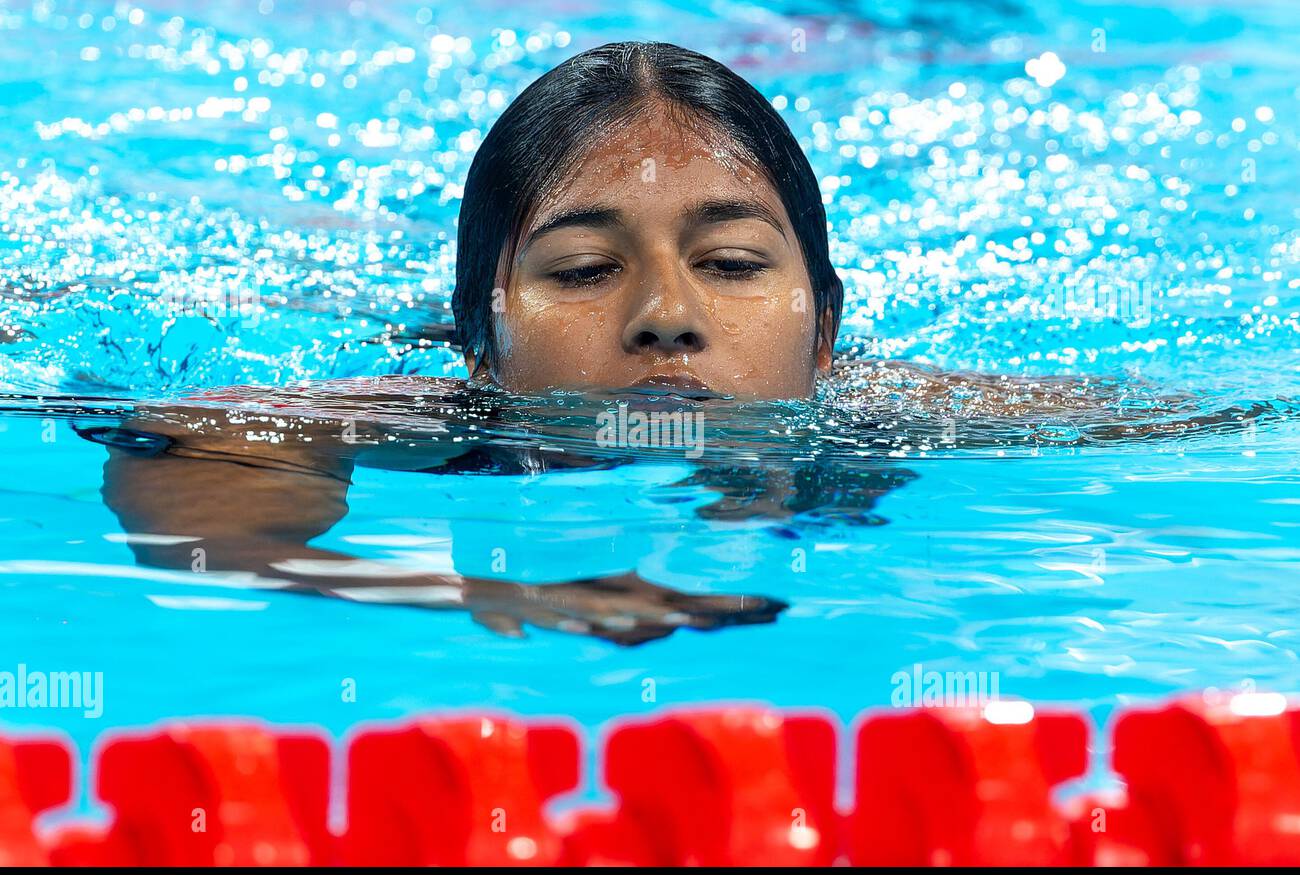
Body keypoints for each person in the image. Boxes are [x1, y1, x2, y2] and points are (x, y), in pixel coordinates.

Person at [81, 41, 1261, 643]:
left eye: (735, 262)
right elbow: (195, 497)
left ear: (829, 331)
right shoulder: (439, 412)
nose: (666, 312)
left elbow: (1228, 421)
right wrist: (457, 589)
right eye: (584, 269)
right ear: (479, 342)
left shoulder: (921, 412)